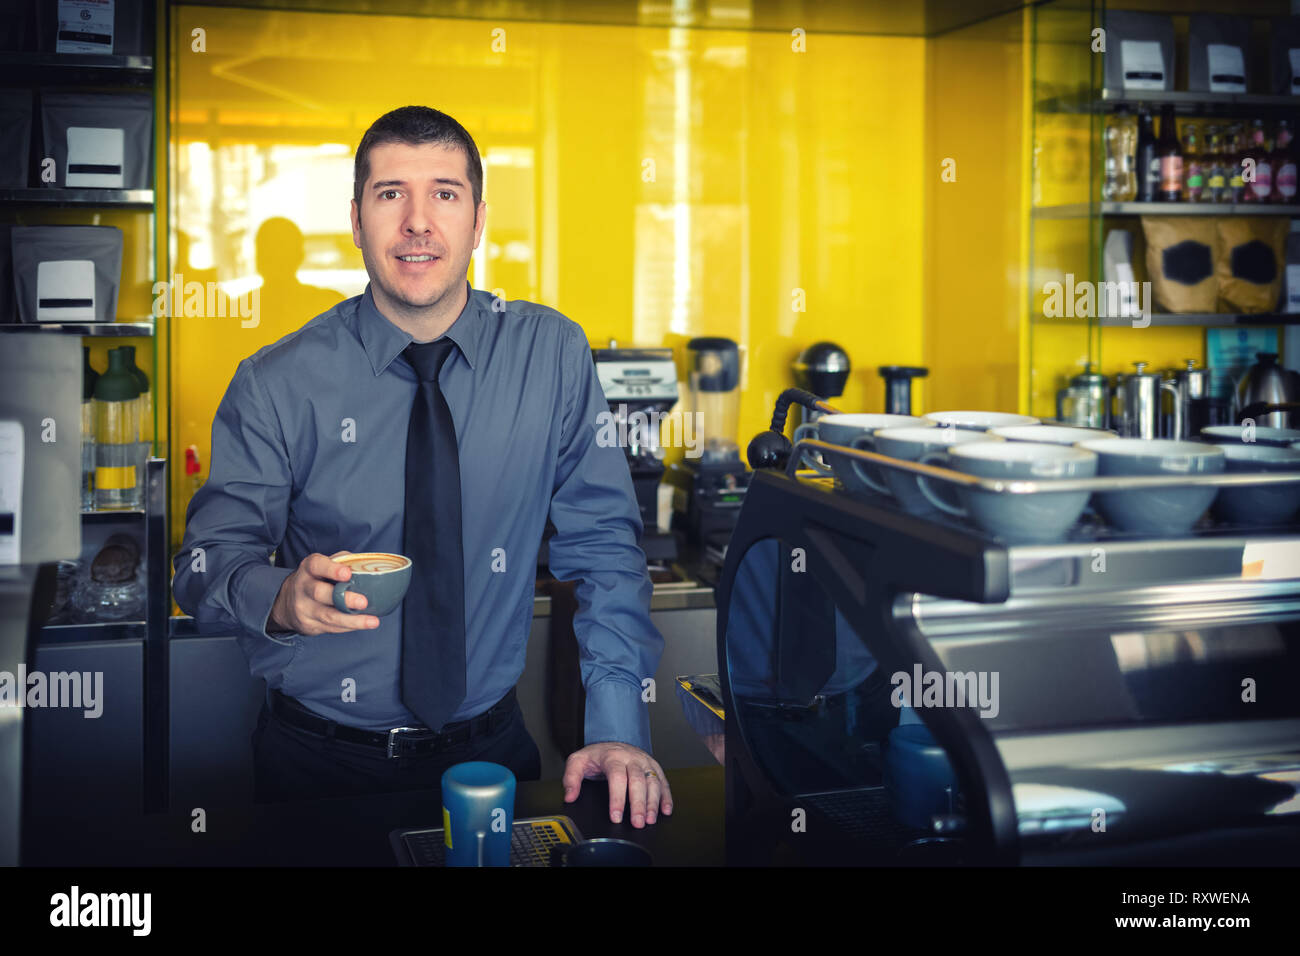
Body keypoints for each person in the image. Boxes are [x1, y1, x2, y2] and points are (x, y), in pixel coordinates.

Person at [172, 105, 672, 828]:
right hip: (316, 767)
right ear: (355, 218)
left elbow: (605, 550)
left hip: (492, 758)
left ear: (477, 220)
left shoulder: (552, 355)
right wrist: (280, 598)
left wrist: (619, 725)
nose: (416, 222)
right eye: (389, 194)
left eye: (444, 192)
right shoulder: (275, 381)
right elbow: (202, 565)